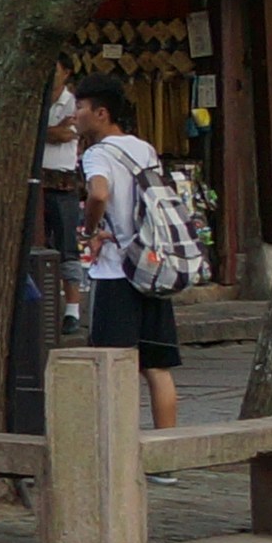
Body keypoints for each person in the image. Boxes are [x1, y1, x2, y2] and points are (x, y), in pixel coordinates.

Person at [68, 75, 182, 428]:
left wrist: (89, 229)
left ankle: (118, 453)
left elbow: (99, 194)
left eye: (81, 108)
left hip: (117, 272)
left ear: (101, 113)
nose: (75, 115)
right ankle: (166, 456)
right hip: (152, 266)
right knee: (157, 367)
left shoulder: (96, 154)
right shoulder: (144, 148)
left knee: (113, 367)